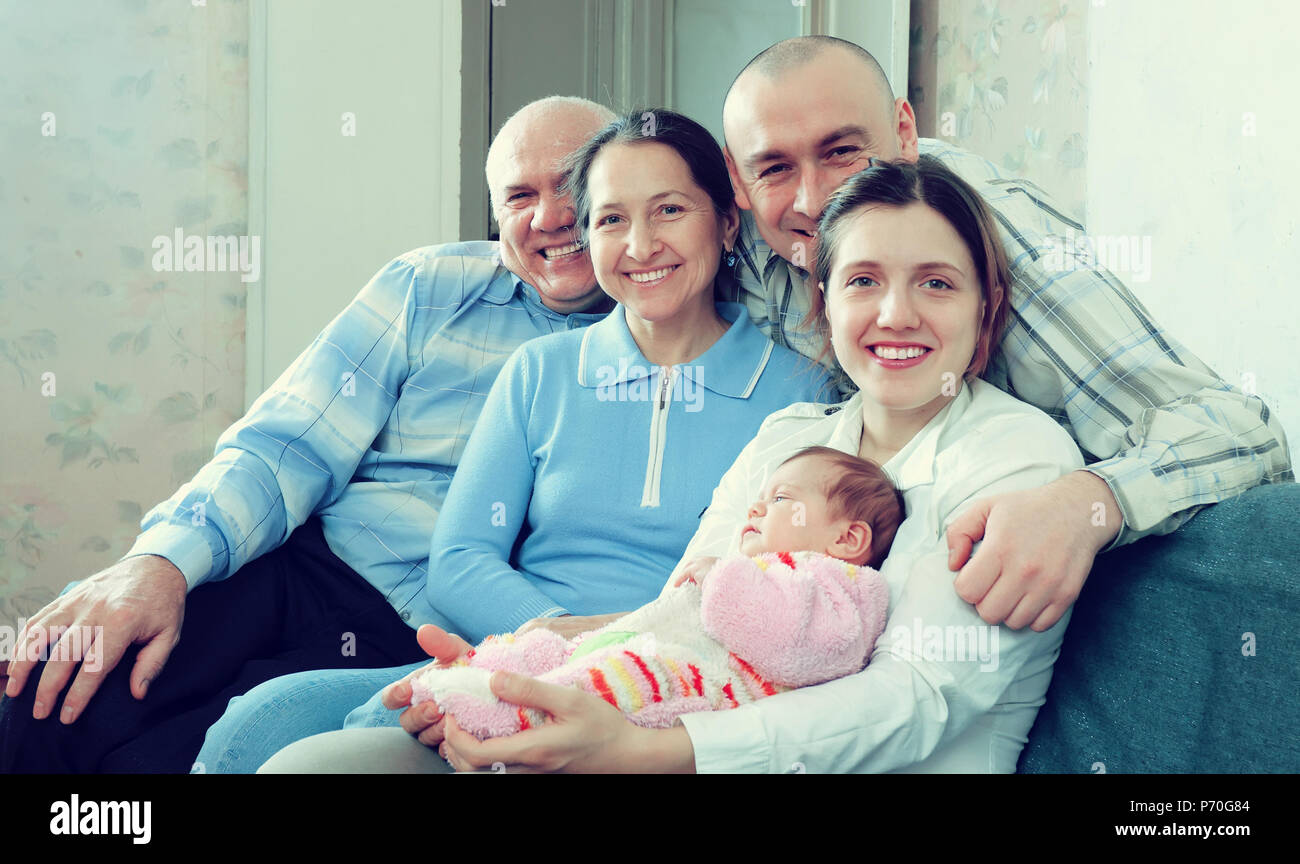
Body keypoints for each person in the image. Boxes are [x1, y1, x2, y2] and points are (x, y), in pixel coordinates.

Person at [259, 155, 1086, 774]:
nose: (894, 313)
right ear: (824, 302)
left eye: (937, 283)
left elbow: (916, 703)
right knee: (319, 758)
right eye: (863, 280)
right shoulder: (795, 435)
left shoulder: (1016, 457)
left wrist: (637, 751)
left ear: (988, 310)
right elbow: (686, 609)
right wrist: (519, 667)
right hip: (666, 724)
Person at [196, 108, 833, 772]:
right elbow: (462, 557)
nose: (640, 246)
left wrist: (614, 650)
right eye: (612, 219)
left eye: (670, 210)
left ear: (727, 223)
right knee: (254, 726)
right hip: (520, 655)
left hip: (676, 681)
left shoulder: (799, 393)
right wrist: (552, 638)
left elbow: (789, 580)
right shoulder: (543, 371)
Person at [0, 96, 621, 773]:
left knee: (194, 756)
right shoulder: (430, 286)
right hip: (303, 568)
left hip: (431, 638)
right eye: (518, 196)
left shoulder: (668, 352)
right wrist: (159, 565)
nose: (550, 216)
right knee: (50, 687)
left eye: (571, 184)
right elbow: (284, 446)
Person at [718, 37, 1291, 633]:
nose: (815, 200)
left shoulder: (1003, 249)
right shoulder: (753, 233)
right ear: (737, 177)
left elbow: (1242, 428)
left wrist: (1084, 505)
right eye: (775, 168)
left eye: (842, 151)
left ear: (903, 133)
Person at [401, 446, 901, 741]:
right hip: (637, 644)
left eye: (781, 500)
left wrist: (723, 576)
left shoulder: (841, 587)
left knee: (600, 679)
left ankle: (493, 712)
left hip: (693, 685)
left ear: (847, 538)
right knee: (552, 649)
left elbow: (799, 647)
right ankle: (463, 678)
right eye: (760, 498)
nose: (755, 510)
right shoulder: (768, 568)